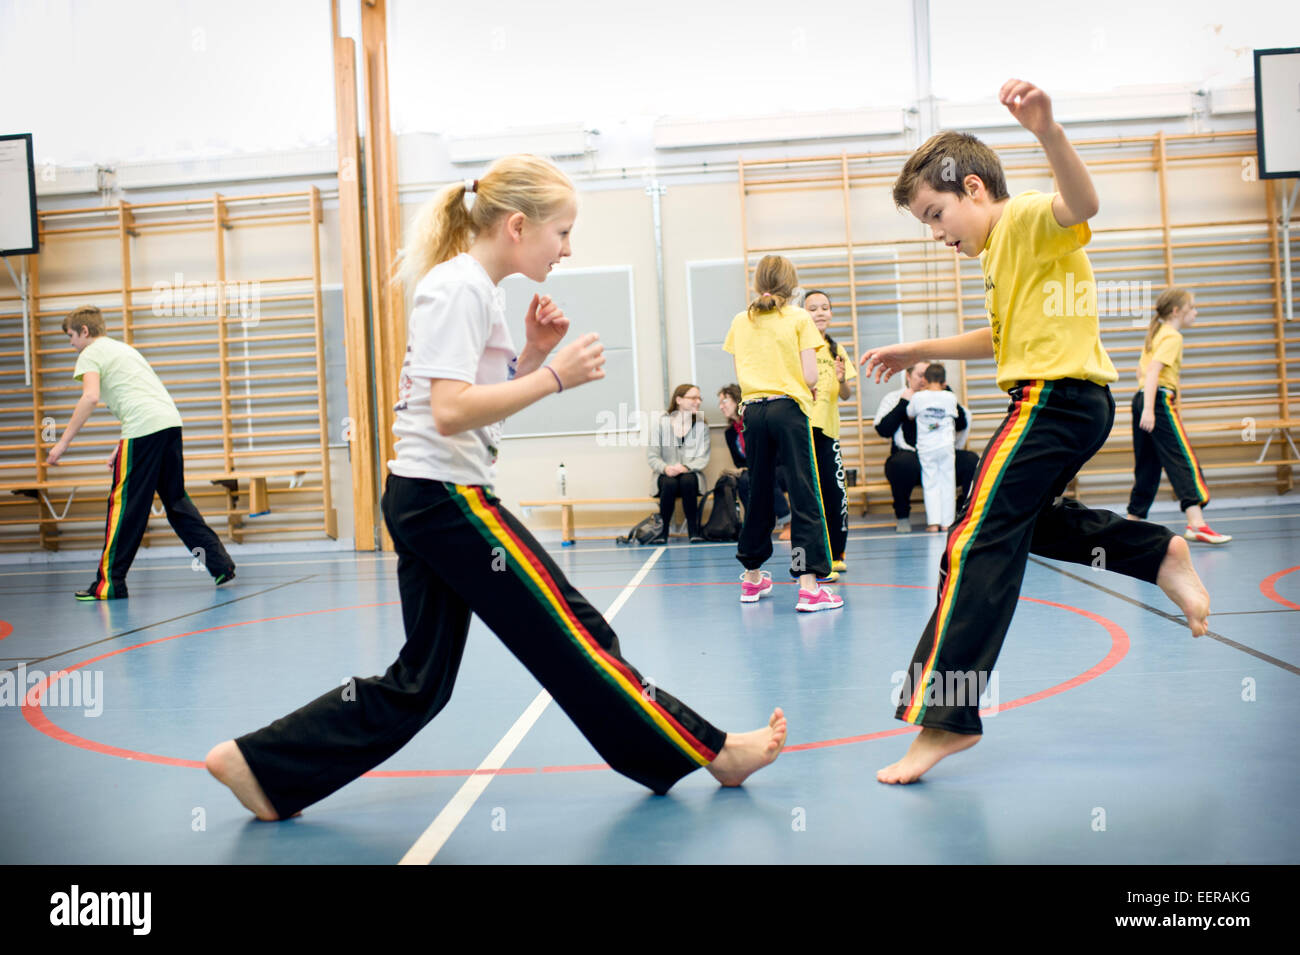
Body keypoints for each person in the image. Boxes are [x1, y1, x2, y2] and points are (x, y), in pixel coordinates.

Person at [205, 155, 786, 820]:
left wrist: (533, 355)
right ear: (517, 225)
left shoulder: (473, 289)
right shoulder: (462, 289)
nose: (567, 248)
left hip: (426, 495)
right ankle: (713, 751)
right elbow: (450, 410)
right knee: (579, 636)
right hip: (447, 500)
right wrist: (556, 376)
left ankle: (261, 767)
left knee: (420, 682)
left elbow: (474, 408)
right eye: (562, 232)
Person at [861, 80, 1211, 785]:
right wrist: (914, 352)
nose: (937, 234)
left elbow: (1081, 204)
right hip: (1066, 400)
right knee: (1021, 526)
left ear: (976, 188)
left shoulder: (1022, 217)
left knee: (974, 538)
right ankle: (1157, 551)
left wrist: (1048, 131)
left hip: (1052, 401)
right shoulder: (998, 253)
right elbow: (998, 339)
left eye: (937, 214)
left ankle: (946, 718)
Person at [46, 305, 236, 600]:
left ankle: (109, 584)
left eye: (70, 336)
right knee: (175, 500)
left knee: (124, 507)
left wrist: (62, 443)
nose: (71, 343)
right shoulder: (124, 350)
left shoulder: (90, 353)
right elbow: (142, 398)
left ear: (84, 332)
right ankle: (221, 565)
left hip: (144, 430)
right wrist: (121, 446)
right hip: (169, 425)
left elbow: (91, 396)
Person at [723, 255, 842, 612]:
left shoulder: (740, 321)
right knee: (805, 493)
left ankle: (752, 579)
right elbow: (808, 376)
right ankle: (808, 586)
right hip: (788, 410)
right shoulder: (799, 318)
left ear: (758, 282)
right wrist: (809, 386)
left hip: (754, 413)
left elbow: (743, 372)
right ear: (793, 286)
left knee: (758, 492)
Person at [1125, 288, 1230, 544]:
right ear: (1176, 311)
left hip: (1141, 399)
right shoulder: (1172, 336)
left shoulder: (1157, 334)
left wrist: (1144, 405)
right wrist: (1151, 408)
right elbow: (1151, 373)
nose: (1195, 312)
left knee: (1148, 466)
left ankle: (1130, 523)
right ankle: (1197, 523)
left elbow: (1140, 373)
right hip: (1157, 401)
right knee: (1182, 458)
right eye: (1192, 307)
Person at [873, 361, 978, 533]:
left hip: (942, 451)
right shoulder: (896, 397)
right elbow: (883, 429)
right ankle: (903, 516)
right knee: (901, 463)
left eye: (928, 376)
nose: (924, 380)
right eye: (920, 375)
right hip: (912, 458)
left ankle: (959, 515)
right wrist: (903, 403)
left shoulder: (946, 396)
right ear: (908, 376)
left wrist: (945, 393)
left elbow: (961, 423)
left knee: (971, 461)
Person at [803, 289, 857, 579]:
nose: (820, 312)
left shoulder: (837, 350)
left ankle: (837, 554)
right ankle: (810, 559)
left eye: (825, 307)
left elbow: (846, 394)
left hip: (829, 431)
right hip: (804, 430)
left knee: (836, 494)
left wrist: (840, 380)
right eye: (813, 308)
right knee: (811, 497)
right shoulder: (799, 347)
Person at [718, 383, 791, 527]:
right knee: (744, 480)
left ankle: (787, 522)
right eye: (719, 403)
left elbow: (776, 453)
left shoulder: (756, 421)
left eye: (724, 401)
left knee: (763, 475)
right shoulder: (730, 433)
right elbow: (739, 462)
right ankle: (755, 525)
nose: (721, 406)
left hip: (779, 469)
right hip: (754, 471)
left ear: (737, 400)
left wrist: (758, 465)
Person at [647, 383, 709, 543]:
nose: (698, 401)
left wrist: (686, 467)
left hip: (690, 475)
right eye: (693, 398)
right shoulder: (661, 425)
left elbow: (703, 457)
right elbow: (652, 456)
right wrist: (666, 468)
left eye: (699, 398)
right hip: (666, 476)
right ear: (679, 400)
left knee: (687, 480)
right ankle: (663, 532)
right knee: (669, 483)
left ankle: (694, 531)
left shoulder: (701, 426)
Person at [907, 362, 959, 532]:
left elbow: (909, 413)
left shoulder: (918, 397)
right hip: (946, 445)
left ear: (925, 379)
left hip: (926, 446)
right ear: (944, 380)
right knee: (948, 482)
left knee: (930, 483)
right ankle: (947, 523)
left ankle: (933, 523)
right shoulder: (950, 397)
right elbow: (955, 415)